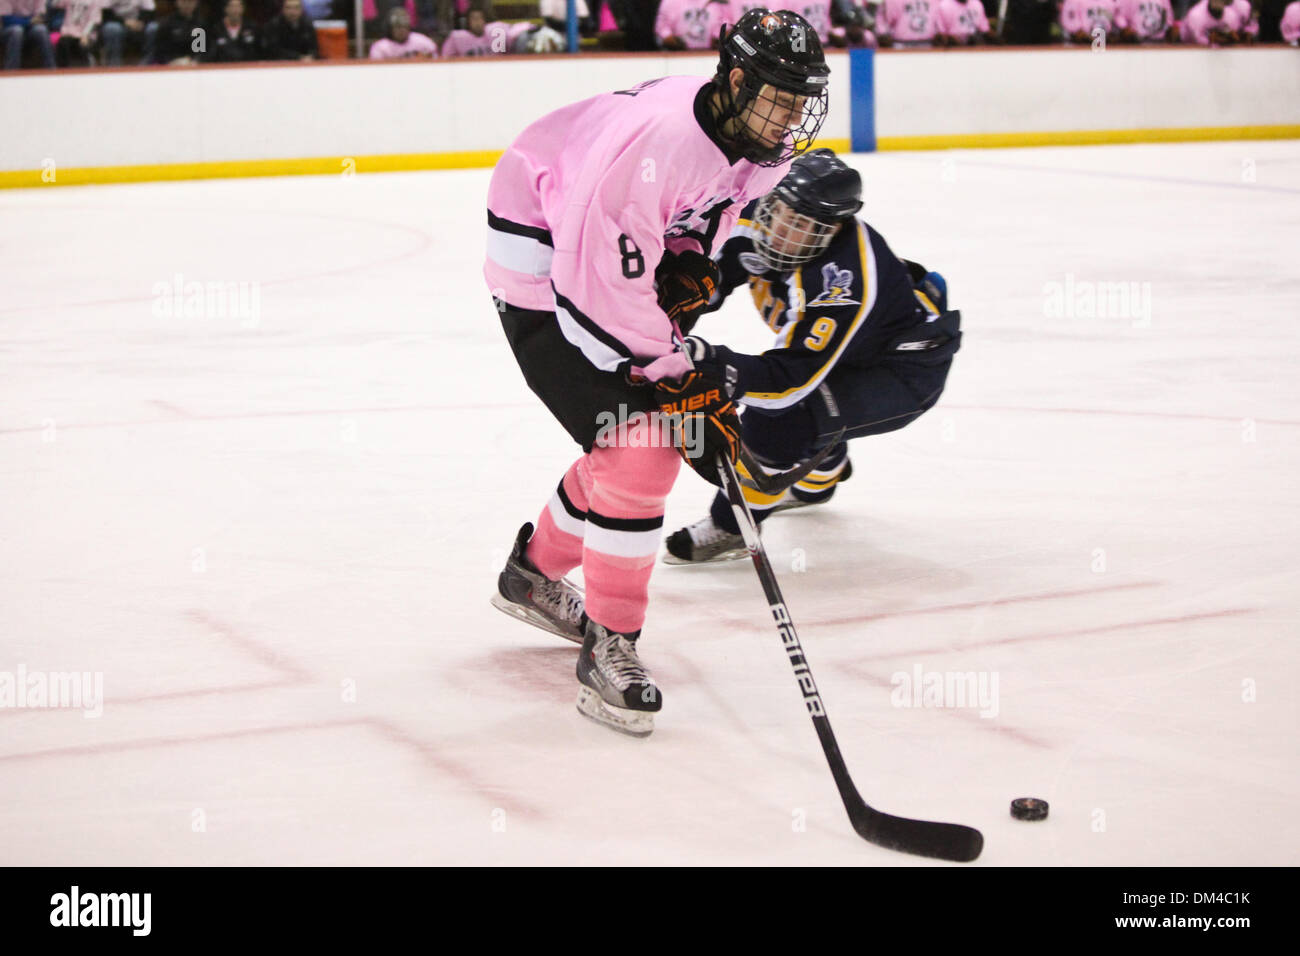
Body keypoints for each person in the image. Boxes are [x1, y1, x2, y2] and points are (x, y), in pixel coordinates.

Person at [485, 8, 830, 737]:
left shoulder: (749, 131)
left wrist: (689, 259)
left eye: (803, 100)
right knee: (642, 446)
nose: (792, 116)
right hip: (545, 258)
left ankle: (534, 577)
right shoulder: (664, 141)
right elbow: (592, 285)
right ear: (735, 80)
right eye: (780, 97)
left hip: (598, 247)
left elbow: (716, 209)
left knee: (633, 444)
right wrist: (676, 376)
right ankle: (612, 645)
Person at [661, 149, 961, 562]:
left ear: (831, 230)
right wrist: (666, 316)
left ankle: (731, 526)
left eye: (802, 225)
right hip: (851, 346)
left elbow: (789, 383)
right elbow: (709, 277)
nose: (782, 229)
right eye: (781, 211)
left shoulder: (843, 283)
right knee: (813, 410)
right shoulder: (756, 215)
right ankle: (820, 479)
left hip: (900, 370)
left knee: (782, 421)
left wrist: (718, 367)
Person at [368, 4, 437, 56]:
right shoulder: (380, 47)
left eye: (404, 27)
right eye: (398, 27)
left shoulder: (422, 42)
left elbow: (434, 57)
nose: (402, 31)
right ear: (390, 29)